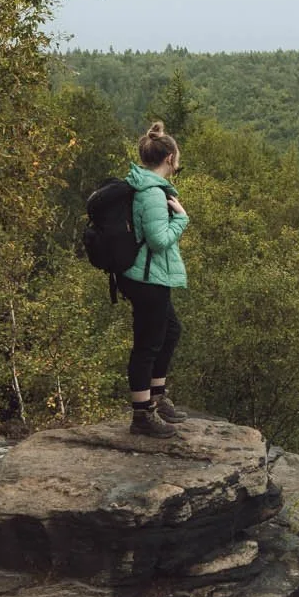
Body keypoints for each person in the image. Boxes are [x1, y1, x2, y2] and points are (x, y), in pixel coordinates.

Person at [121, 120, 189, 437]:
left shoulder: (149, 187)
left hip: (151, 276)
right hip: (146, 278)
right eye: (177, 158)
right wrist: (182, 219)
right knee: (147, 345)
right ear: (169, 158)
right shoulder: (151, 193)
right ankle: (142, 415)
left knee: (170, 331)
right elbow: (159, 240)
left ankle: (157, 398)